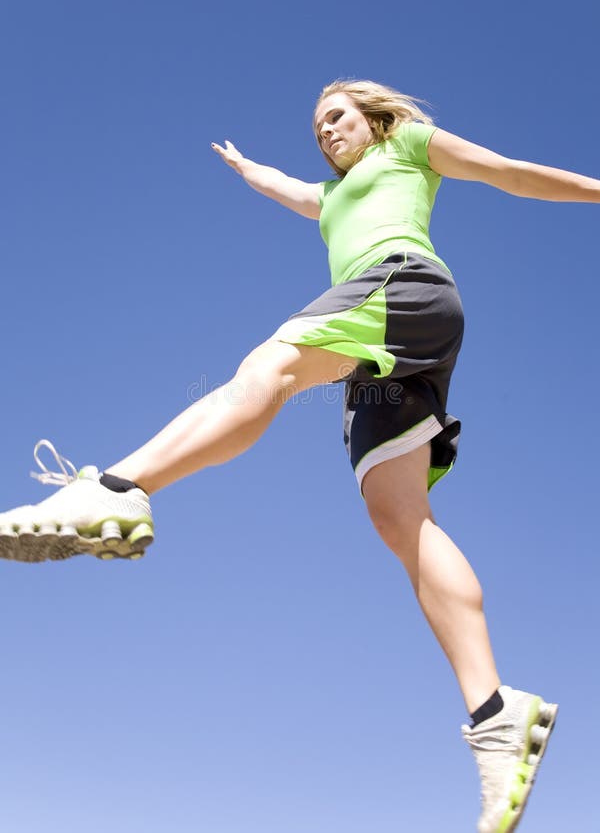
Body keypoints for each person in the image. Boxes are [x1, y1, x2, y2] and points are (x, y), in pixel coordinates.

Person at [4, 77, 598, 831]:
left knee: (269, 367)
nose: (325, 131)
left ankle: (118, 486)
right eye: (317, 126)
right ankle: (496, 712)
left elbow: (507, 172)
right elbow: (293, 190)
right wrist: (252, 172)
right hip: (389, 348)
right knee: (399, 517)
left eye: (337, 117)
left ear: (375, 117)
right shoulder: (331, 198)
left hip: (403, 288)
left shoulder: (407, 149)